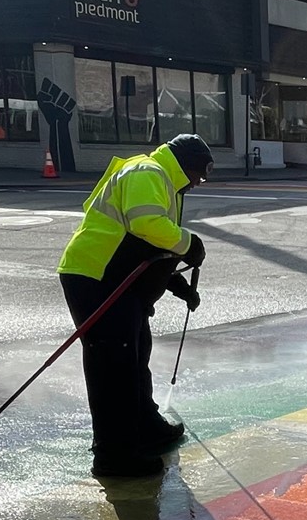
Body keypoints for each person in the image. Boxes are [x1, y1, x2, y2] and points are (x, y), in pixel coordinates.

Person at [58, 134, 213, 477]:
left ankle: (145, 425)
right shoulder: (148, 172)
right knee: (113, 365)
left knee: (136, 352)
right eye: (199, 176)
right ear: (185, 164)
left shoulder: (162, 181)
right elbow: (147, 225)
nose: (197, 184)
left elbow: (145, 246)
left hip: (116, 279)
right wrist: (190, 243)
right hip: (96, 276)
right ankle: (114, 454)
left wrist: (176, 284)